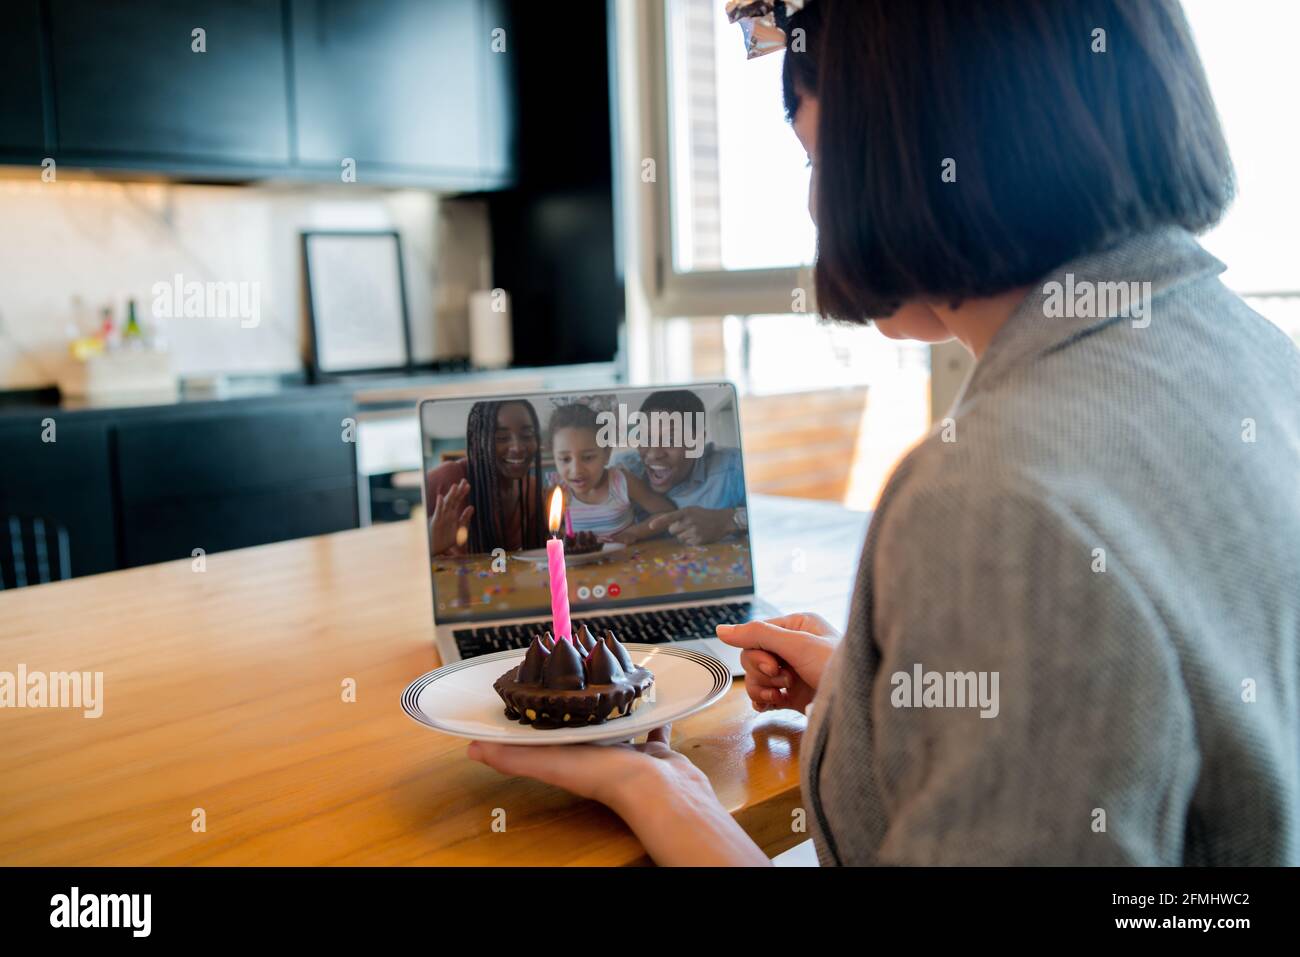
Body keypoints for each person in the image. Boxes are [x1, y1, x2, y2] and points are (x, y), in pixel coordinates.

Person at [470, 0, 1300, 865]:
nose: (817, 204)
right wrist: (897, 693)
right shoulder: (1256, 357)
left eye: (819, 157)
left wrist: (667, 795)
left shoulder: (992, 496)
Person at [615, 390, 748, 546]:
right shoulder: (623, 471)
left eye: (671, 440)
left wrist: (730, 520)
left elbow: (777, 512)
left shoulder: (735, 467)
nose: (653, 454)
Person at [426, 399, 547, 556]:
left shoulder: (531, 491)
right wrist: (430, 545)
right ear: (478, 442)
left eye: (527, 435)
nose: (517, 447)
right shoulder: (448, 479)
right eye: (502, 437)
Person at [547, 402, 675, 543]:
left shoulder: (621, 482)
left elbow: (667, 513)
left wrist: (634, 533)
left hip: (626, 561)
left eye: (588, 458)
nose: (576, 469)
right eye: (565, 459)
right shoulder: (556, 489)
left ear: (606, 454)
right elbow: (553, 528)